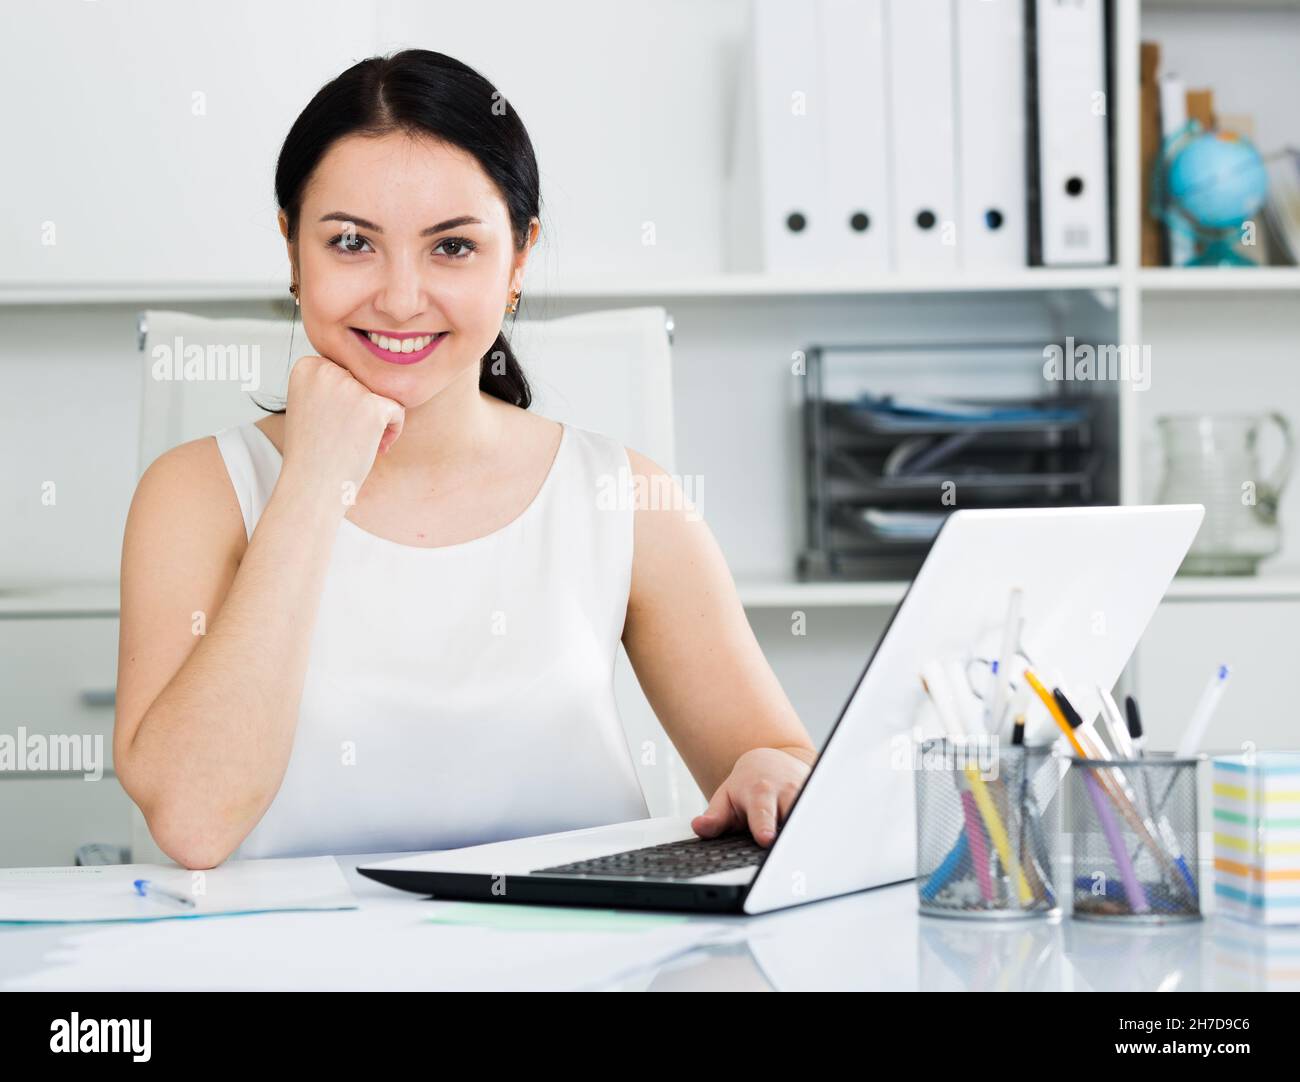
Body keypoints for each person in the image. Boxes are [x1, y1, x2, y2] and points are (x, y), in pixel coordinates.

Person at [114, 50, 815, 869]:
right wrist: (311, 484)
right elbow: (194, 824)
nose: (402, 297)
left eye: (451, 248)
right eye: (351, 242)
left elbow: (777, 769)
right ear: (292, 251)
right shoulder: (196, 494)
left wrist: (775, 773)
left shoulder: (624, 499)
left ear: (518, 259)